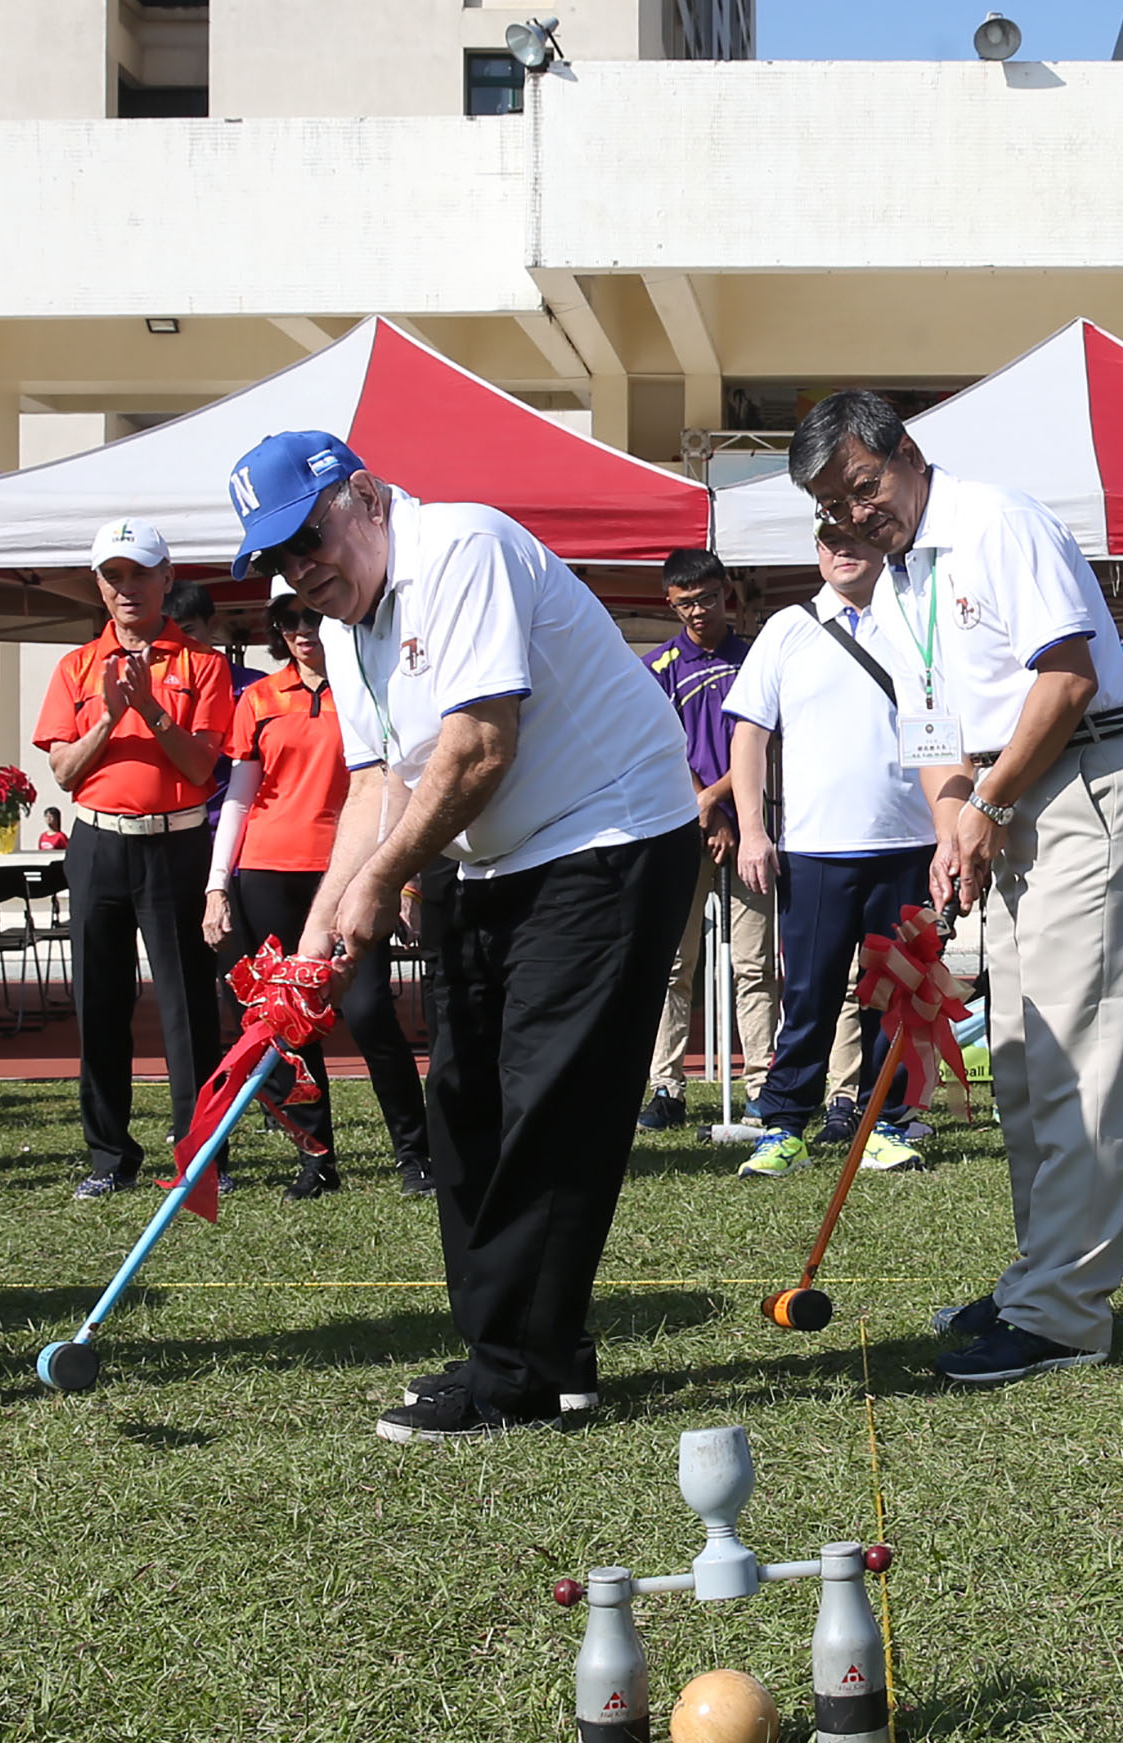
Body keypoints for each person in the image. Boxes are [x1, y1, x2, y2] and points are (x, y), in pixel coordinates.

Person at [232, 428, 698, 1440]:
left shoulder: (462, 548)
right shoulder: (347, 624)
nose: (299, 568)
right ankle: (541, 1352)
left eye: (307, 537)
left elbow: (481, 746)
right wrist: (319, 931)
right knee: (464, 1105)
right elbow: (376, 783)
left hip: (611, 836)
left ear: (366, 496)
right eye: (275, 557)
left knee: (547, 1104)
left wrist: (386, 878)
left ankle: (513, 1379)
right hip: (500, 858)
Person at [794, 391, 1123, 1386]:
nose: (857, 517)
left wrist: (991, 801)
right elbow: (930, 731)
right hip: (1008, 802)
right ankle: (1037, 1281)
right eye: (836, 509)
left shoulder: (999, 522)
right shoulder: (901, 582)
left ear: (905, 453)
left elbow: (1067, 678)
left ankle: (1064, 1314)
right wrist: (951, 823)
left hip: (1085, 782)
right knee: (1028, 1055)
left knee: (1084, 1056)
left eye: (863, 490)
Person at [203, 596, 435, 1200]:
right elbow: (238, 797)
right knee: (286, 1026)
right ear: (277, 631)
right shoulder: (257, 699)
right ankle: (317, 1160)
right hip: (267, 871)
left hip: (353, 870)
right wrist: (216, 883)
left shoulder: (367, 687)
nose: (302, 631)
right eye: (288, 621)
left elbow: (400, 785)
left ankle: (416, 1156)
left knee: (368, 1015)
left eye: (312, 618)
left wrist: (405, 880)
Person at [34, 519, 236, 1200]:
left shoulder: (202, 666)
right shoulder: (76, 666)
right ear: (99, 584)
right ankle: (108, 1156)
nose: (127, 588)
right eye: (113, 576)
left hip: (175, 841)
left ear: (167, 579)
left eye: (140, 573)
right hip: (97, 843)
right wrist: (107, 718)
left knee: (187, 1008)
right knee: (99, 1001)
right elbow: (63, 769)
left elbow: (204, 765)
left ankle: (202, 1155)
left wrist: (150, 709)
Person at [724, 525, 934, 1178]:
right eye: (829, 539)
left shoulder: (916, 624)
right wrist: (753, 829)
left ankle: (880, 1124)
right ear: (816, 550)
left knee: (897, 994)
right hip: (815, 849)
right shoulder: (788, 628)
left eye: (857, 537)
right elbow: (750, 735)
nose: (843, 550)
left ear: (885, 546)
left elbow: (946, 726)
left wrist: (952, 831)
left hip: (909, 843)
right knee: (809, 994)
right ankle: (784, 1124)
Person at [636, 548, 778, 1132]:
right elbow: (658, 746)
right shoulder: (657, 666)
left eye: (708, 598)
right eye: (685, 603)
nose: (698, 612)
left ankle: (762, 1083)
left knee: (755, 963)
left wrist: (720, 802)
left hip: (751, 826)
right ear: (670, 603)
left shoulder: (759, 658)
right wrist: (704, 808)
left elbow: (767, 739)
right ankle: (666, 1086)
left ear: (728, 596)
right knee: (673, 965)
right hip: (681, 826)